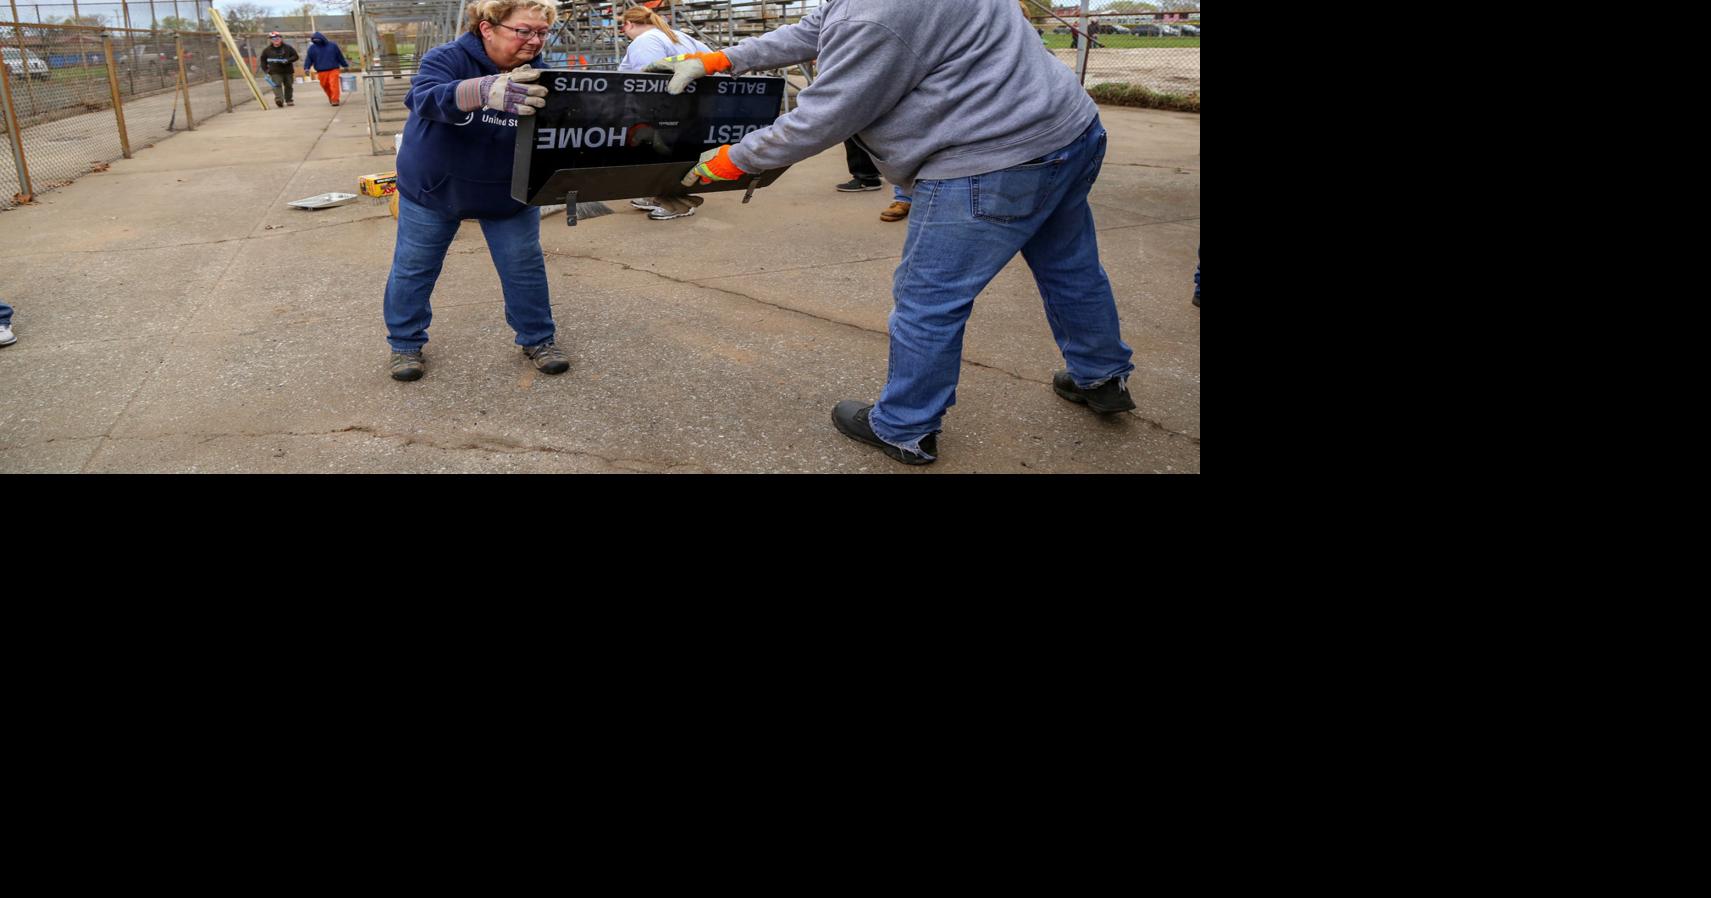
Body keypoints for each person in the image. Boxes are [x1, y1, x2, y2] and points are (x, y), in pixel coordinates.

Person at [651, 0, 1135, 465]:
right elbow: (815, 27)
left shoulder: (876, 15)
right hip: (1069, 130)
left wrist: (736, 159)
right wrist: (723, 58)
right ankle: (1101, 377)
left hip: (989, 158)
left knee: (930, 299)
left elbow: (827, 115)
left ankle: (905, 427)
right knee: (1070, 267)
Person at [383, 0, 570, 382]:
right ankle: (404, 343)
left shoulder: (540, 73)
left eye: (541, 32)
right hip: (434, 187)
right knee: (414, 267)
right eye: (524, 31)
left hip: (507, 191)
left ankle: (538, 338)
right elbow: (423, 98)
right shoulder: (447, 58)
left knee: (523, 267)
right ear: (488, 28)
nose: (534, 41)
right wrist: (482, 90)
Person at [616, 5, 713, 221]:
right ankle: (659, 194)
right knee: (673, 154)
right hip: (691, 105)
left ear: (629, 24)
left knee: (660, 152)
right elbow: (712, 61)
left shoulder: (645, 41)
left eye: (623, 27)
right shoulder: (678, 36)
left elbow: (649, 84)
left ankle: (675, 202)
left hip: (664, 108)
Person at [303, 31, 350, 107]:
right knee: (325, 86)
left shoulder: (333, 46)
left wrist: (345, 65)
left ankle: (335, 100)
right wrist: (306, 68)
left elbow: (339, 56)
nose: (317, 42)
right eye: (315, 40)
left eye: (318, 40)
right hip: (321, 71)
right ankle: (331, 98)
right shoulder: (312, 48)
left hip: (333, 69)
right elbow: (309, 59)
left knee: (333, 84)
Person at [259, 31, 299, 107]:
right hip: (275, 71)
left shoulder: (288, 48)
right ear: (271, 40)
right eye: (273, 39)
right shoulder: (267, 50)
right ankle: (279, 100)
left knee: (289, 86)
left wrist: (287, 60)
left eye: (277, 38)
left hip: (288, 71)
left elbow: (295, 56)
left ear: (281, 38)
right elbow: (263, 60)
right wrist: (266, 70)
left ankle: (289, 100)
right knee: (276, 85)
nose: (276, 40)